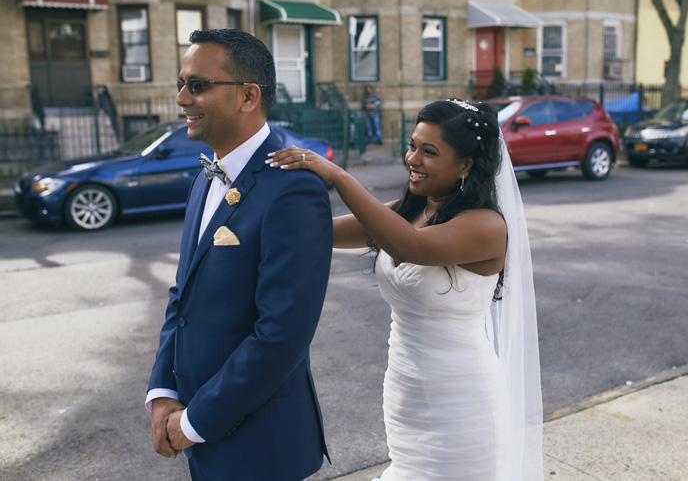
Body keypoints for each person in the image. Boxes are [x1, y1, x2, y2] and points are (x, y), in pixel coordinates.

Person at [269, 98, 543, 480]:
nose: (412, 158)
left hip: (463, 401)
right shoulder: (412, 210)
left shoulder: (486, 226)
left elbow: (409, 247)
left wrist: (340, 177)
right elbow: (320, 232)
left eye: (428, 152)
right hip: (404, 389)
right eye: (412, 145)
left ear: (465, 164)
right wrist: (263, 207)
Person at [146, 28, 333, 481]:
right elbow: (182, 296)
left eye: (198, 85)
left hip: (260, 444)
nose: (181, 98)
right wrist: (163, 391)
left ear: (249, 96)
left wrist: (193, 423)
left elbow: (281, 335)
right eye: (182, 83)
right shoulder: (204, 177)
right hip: (198, 431)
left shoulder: (294, 189)